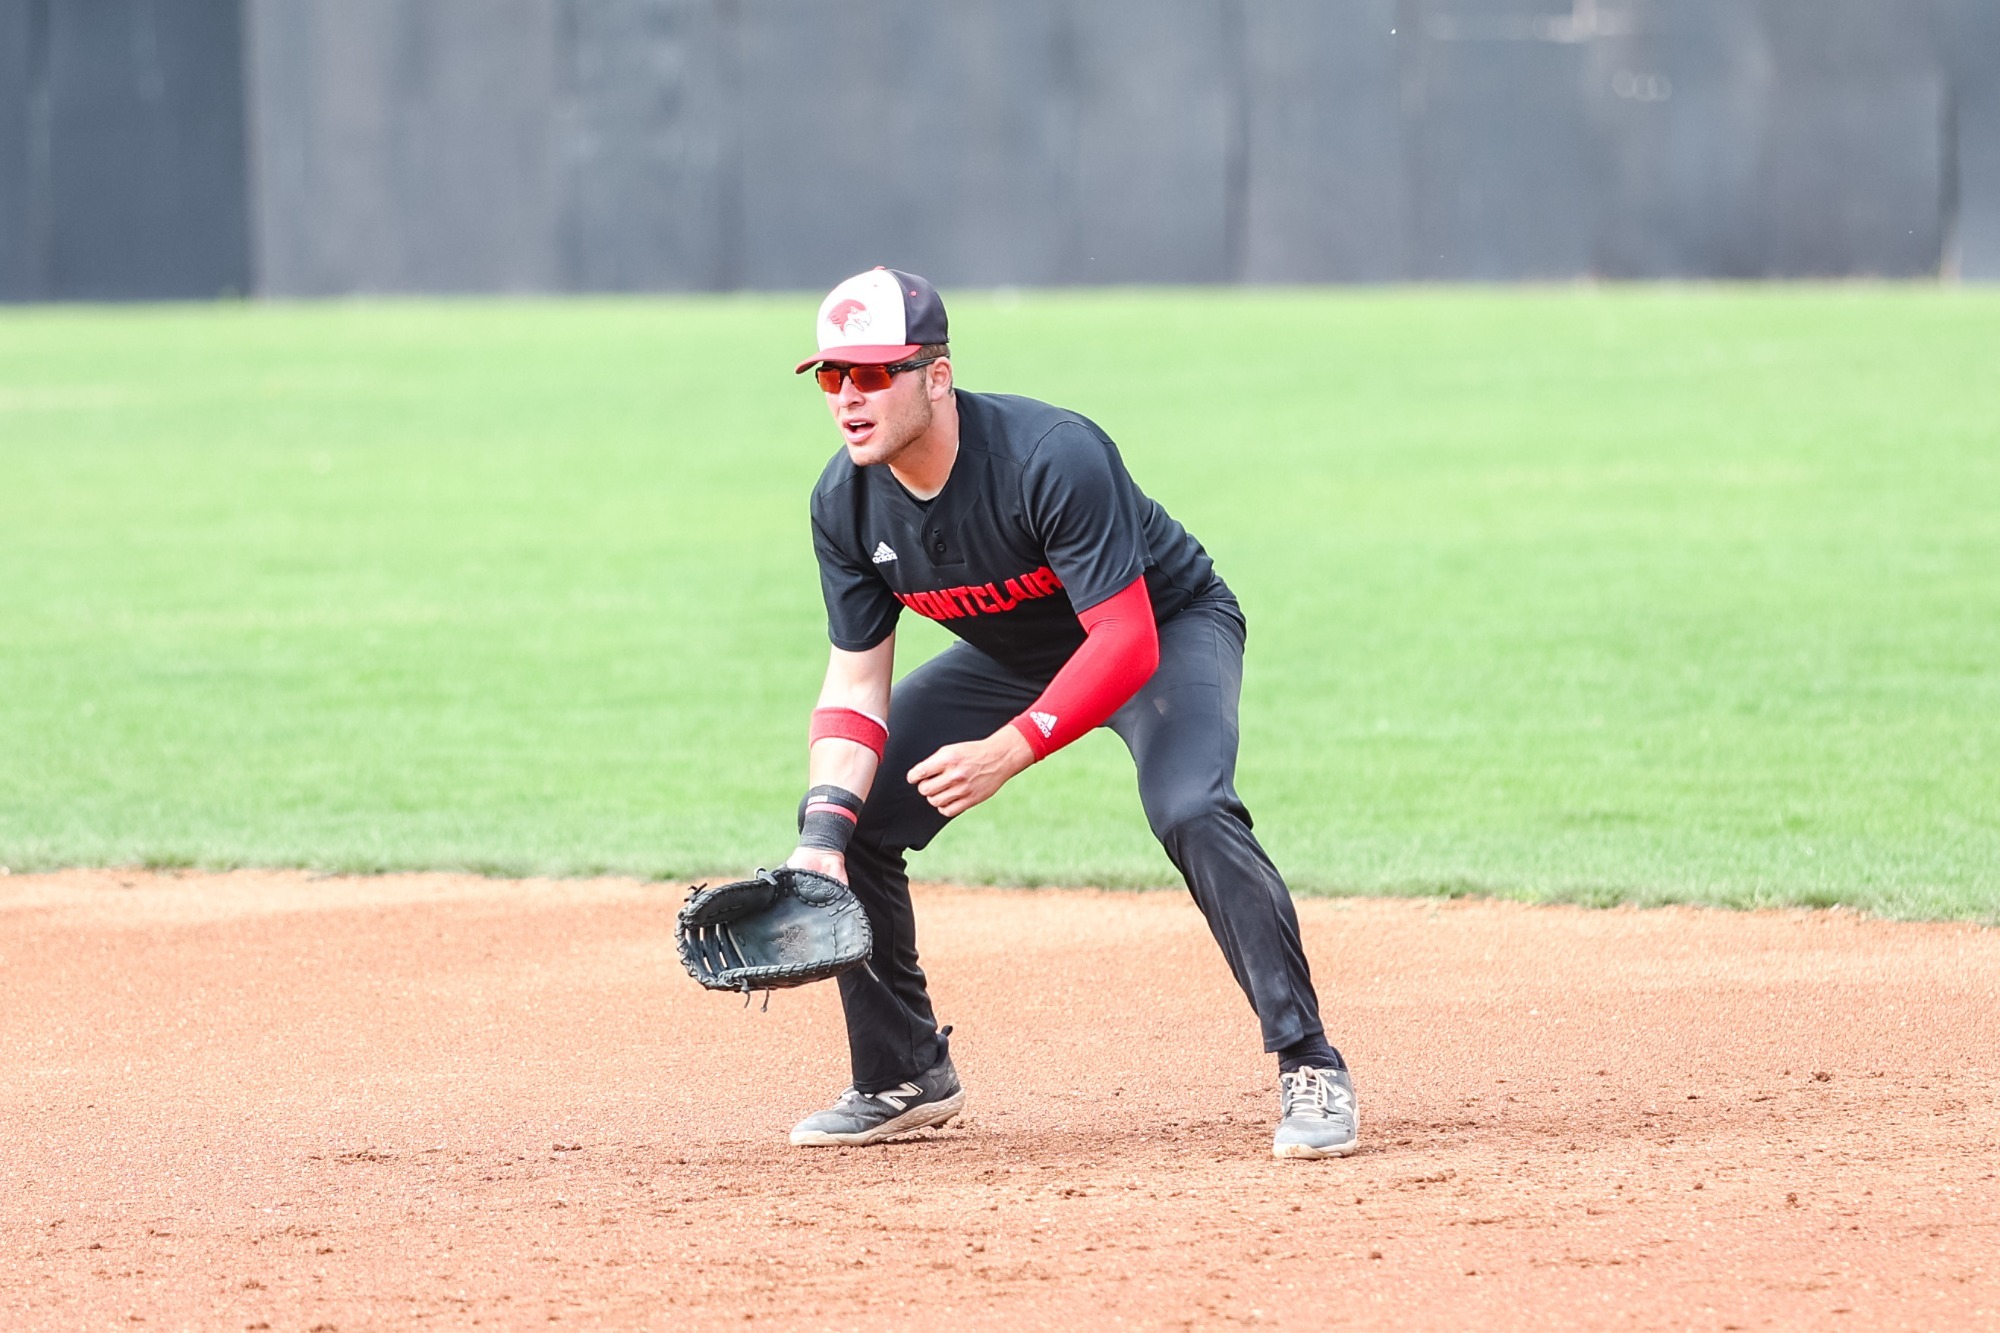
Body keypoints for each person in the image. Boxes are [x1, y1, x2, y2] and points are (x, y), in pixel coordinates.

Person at [780, 267, 1356, 1159]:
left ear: (936, 374)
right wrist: (822, 832)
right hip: (1018, 655)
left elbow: (1122, 644)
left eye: (873, 373)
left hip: (1162, 627)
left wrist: (1009, 750)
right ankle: (903, 1074)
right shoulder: (845, 503)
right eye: (831, 377)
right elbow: (857, 686)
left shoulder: (1049, 454)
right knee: (854, 819)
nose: (849, 398)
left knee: (1191, 807)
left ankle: (1308, 1061)